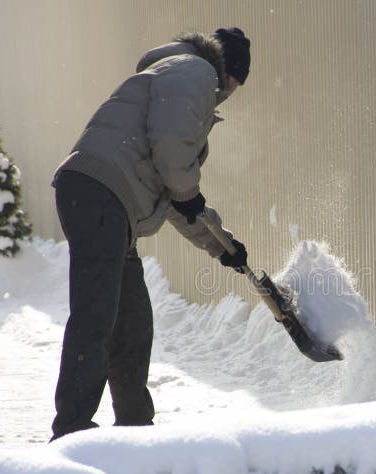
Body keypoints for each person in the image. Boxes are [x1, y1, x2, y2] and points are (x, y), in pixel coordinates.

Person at [49, 28, 251, 441]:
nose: (229, 94)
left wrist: (222, 247)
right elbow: (172, 154)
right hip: (100, 192)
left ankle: (136, 430)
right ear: (227, 70)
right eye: (234, 85)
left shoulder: (176, 76)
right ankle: (71, 430)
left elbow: (175, 195)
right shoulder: (194, 72)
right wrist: (188, 193)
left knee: (132, 322)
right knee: (97, 315)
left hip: (107, 202)